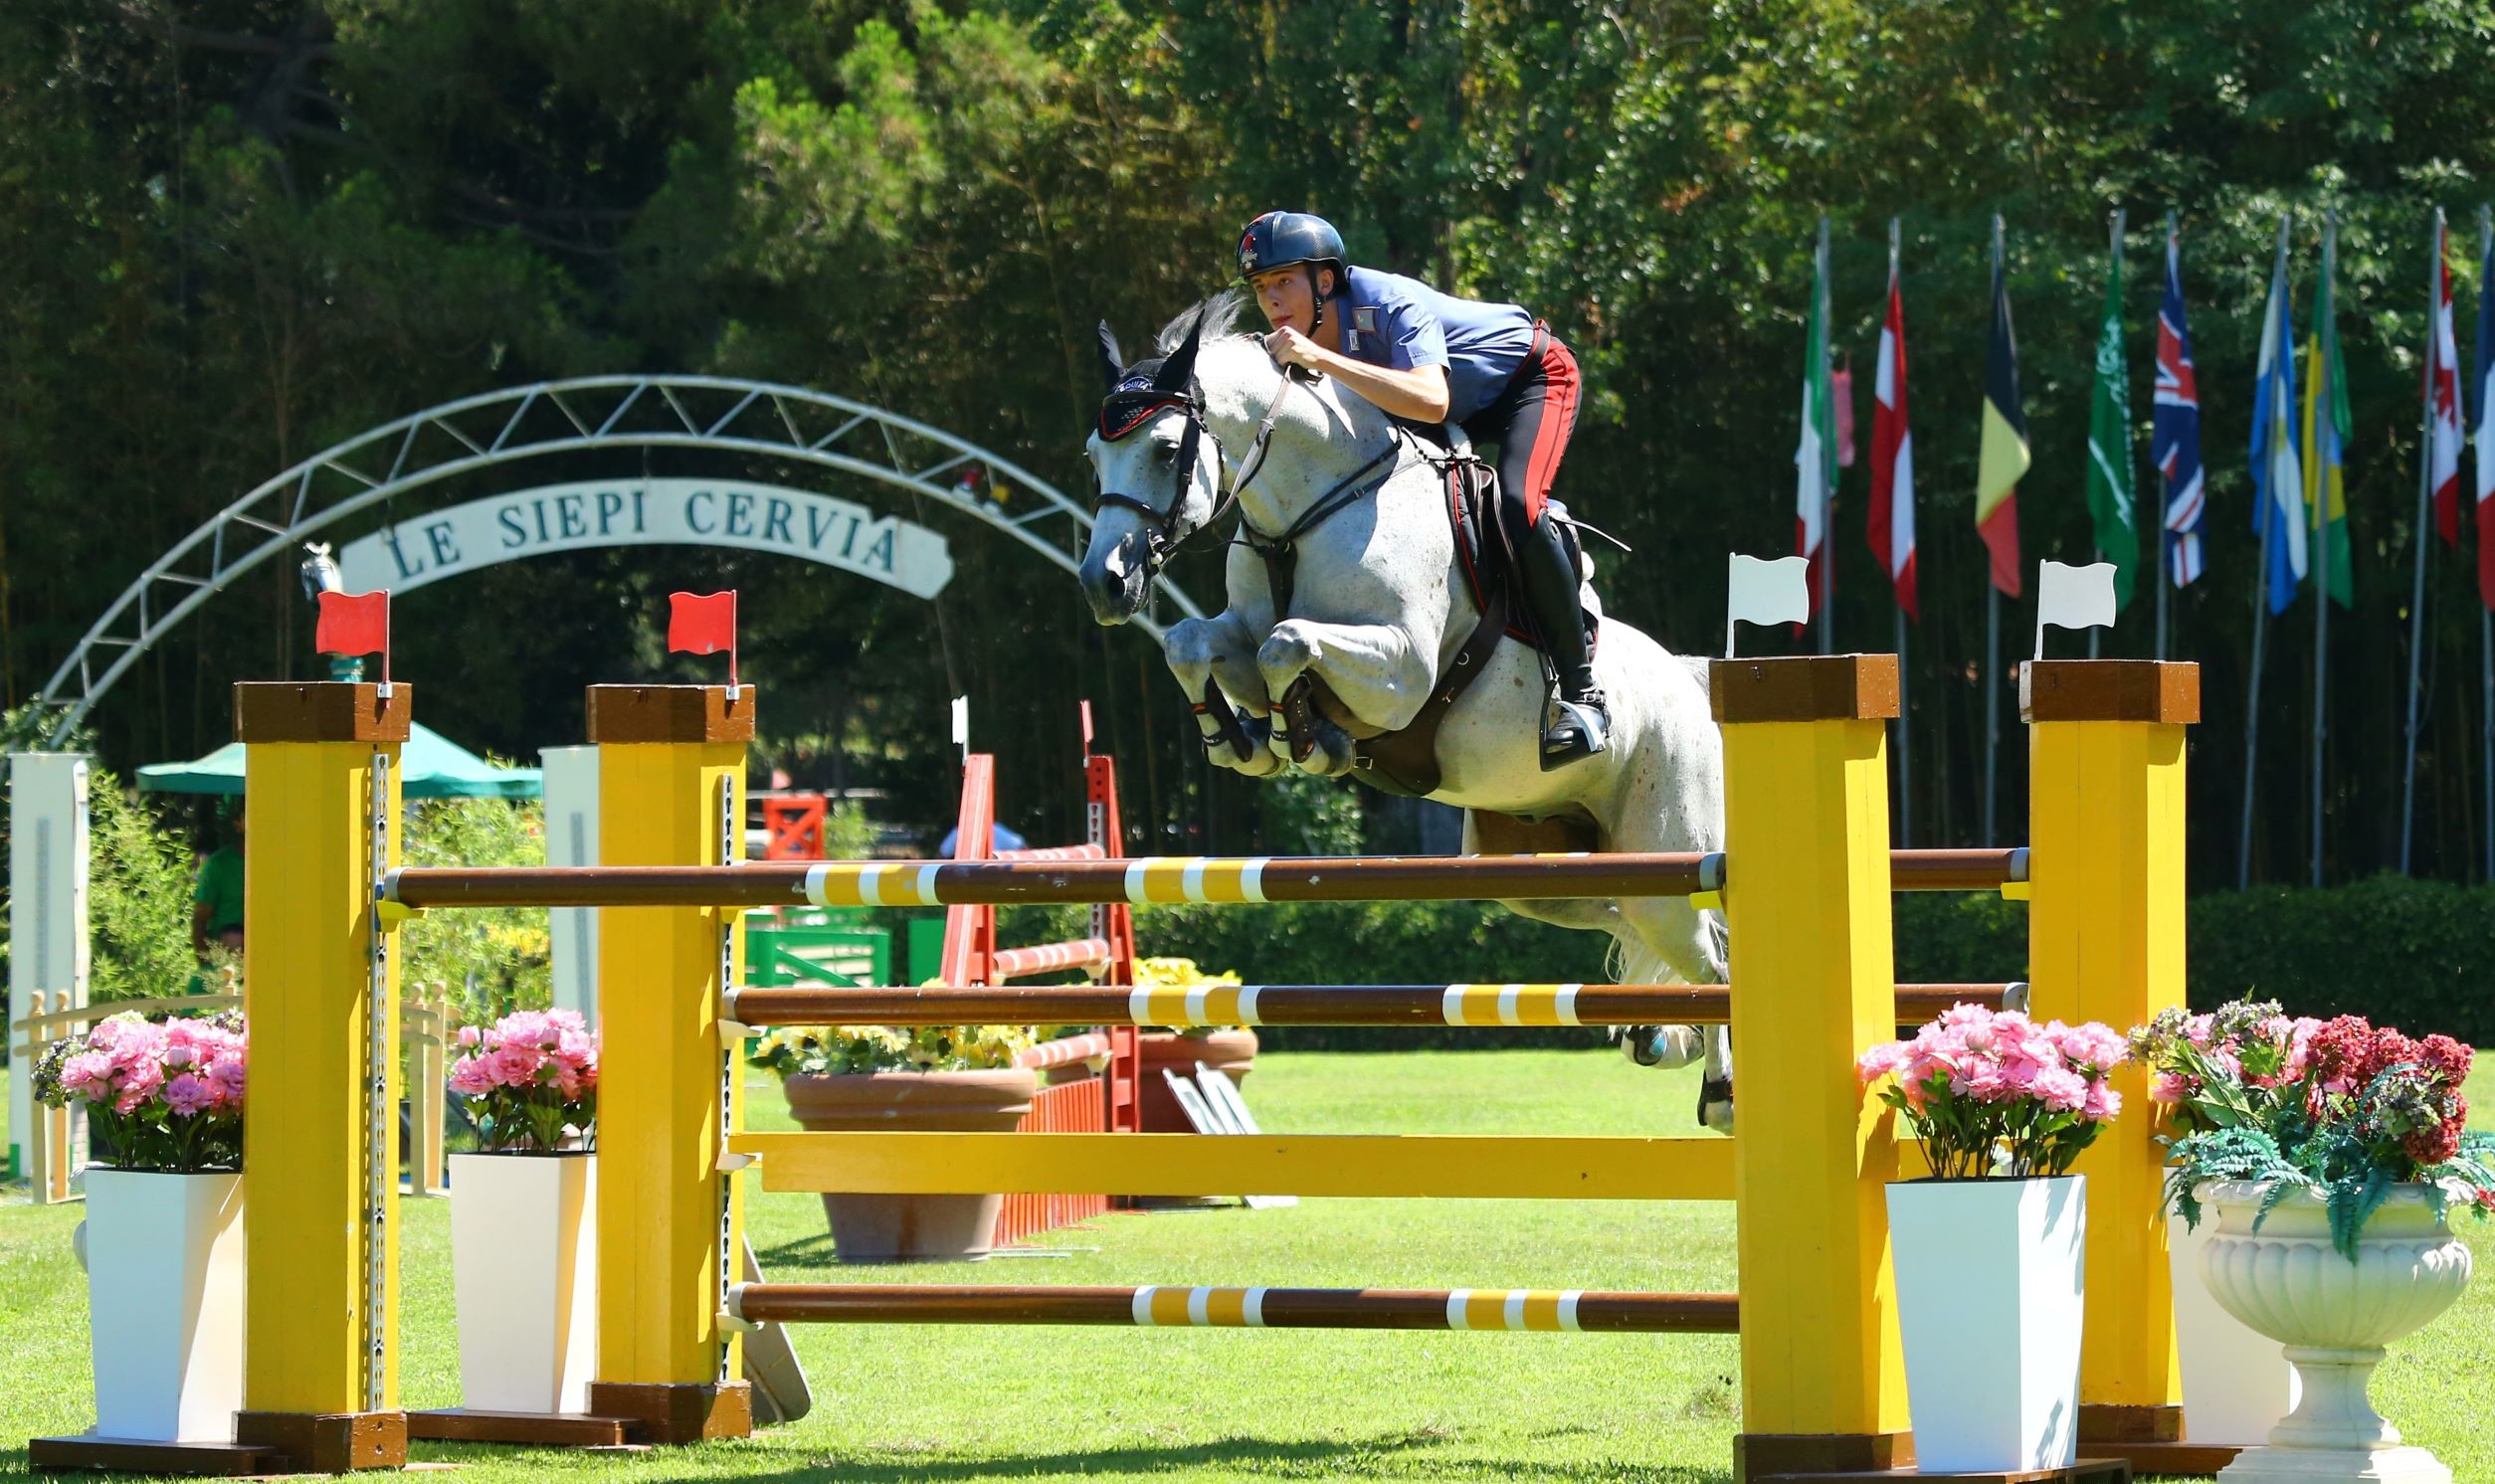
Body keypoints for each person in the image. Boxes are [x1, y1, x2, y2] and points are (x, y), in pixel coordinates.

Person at [1236, 209, 1607, 766]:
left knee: (1517, 505)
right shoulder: (1298, 343)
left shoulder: (1386, 303)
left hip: (1530, 380)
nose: (1272, 299)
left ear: (1325, 280)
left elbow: (1432, 400)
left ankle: (1584, 695)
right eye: (1261, 286)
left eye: (1284, 280)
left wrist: (1320, 359)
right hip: (1452, 404)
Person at [192, 800, 246, 960]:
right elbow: (200, 918)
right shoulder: (218, 865)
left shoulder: (282, 865)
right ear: (238, 825)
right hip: (226, 960)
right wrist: (206, 964)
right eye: (251, 816)